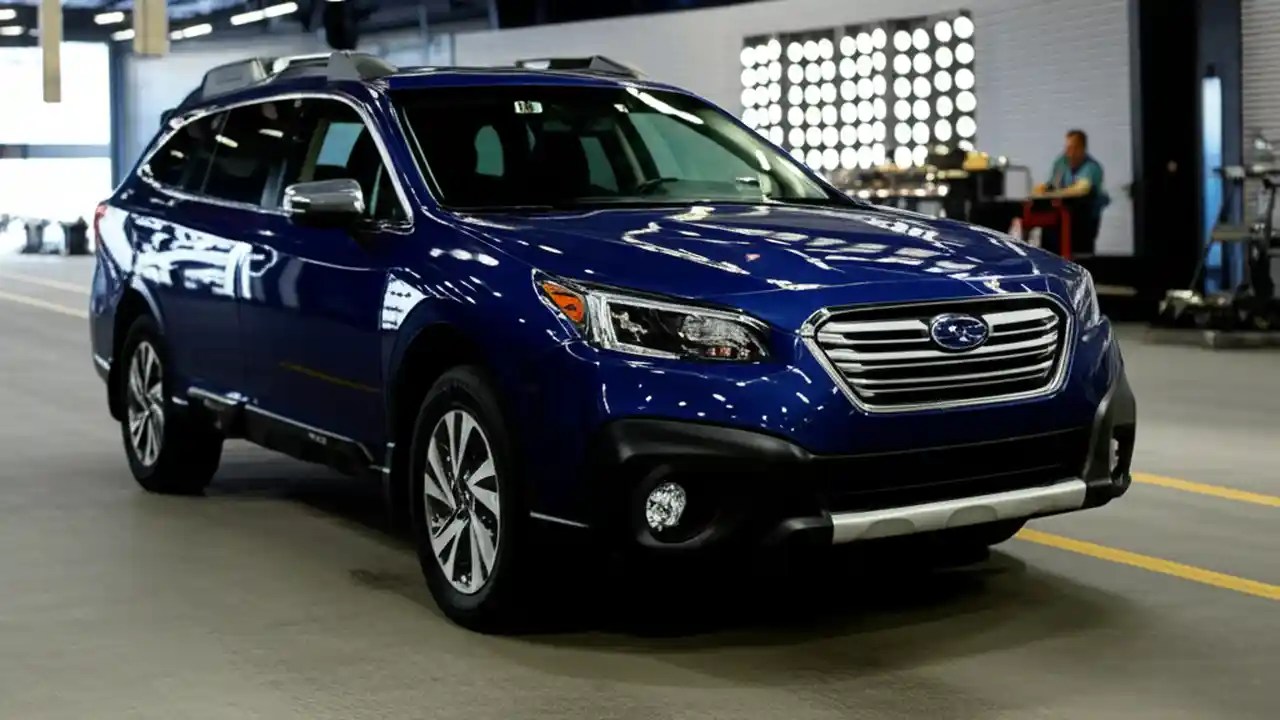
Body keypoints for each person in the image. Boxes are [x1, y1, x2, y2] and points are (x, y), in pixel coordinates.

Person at [1032, 129, 1110, 256]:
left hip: (1084, 221)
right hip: (1058, 223)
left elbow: (1081, 189)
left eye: (1074, 148)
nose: (1070, 153)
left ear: (1083, 149)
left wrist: (1053, 193)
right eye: (1067, 148)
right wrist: (1041, 190)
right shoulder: (1061, 162)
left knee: (1079, 255)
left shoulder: (1092, 167)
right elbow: (1052, 184)